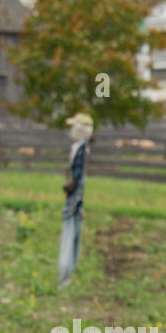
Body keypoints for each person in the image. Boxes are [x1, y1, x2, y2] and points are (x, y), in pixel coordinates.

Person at [58, 110, 94, 286]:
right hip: (76, 199)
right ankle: (67, 275)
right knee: (73, 236)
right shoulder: (81, 148)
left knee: (69, 235)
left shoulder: (79, 149)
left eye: (73, 127)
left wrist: (69, 186)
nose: (71, 130)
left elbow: (77, 176)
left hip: (74, 201)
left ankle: (65, 275)